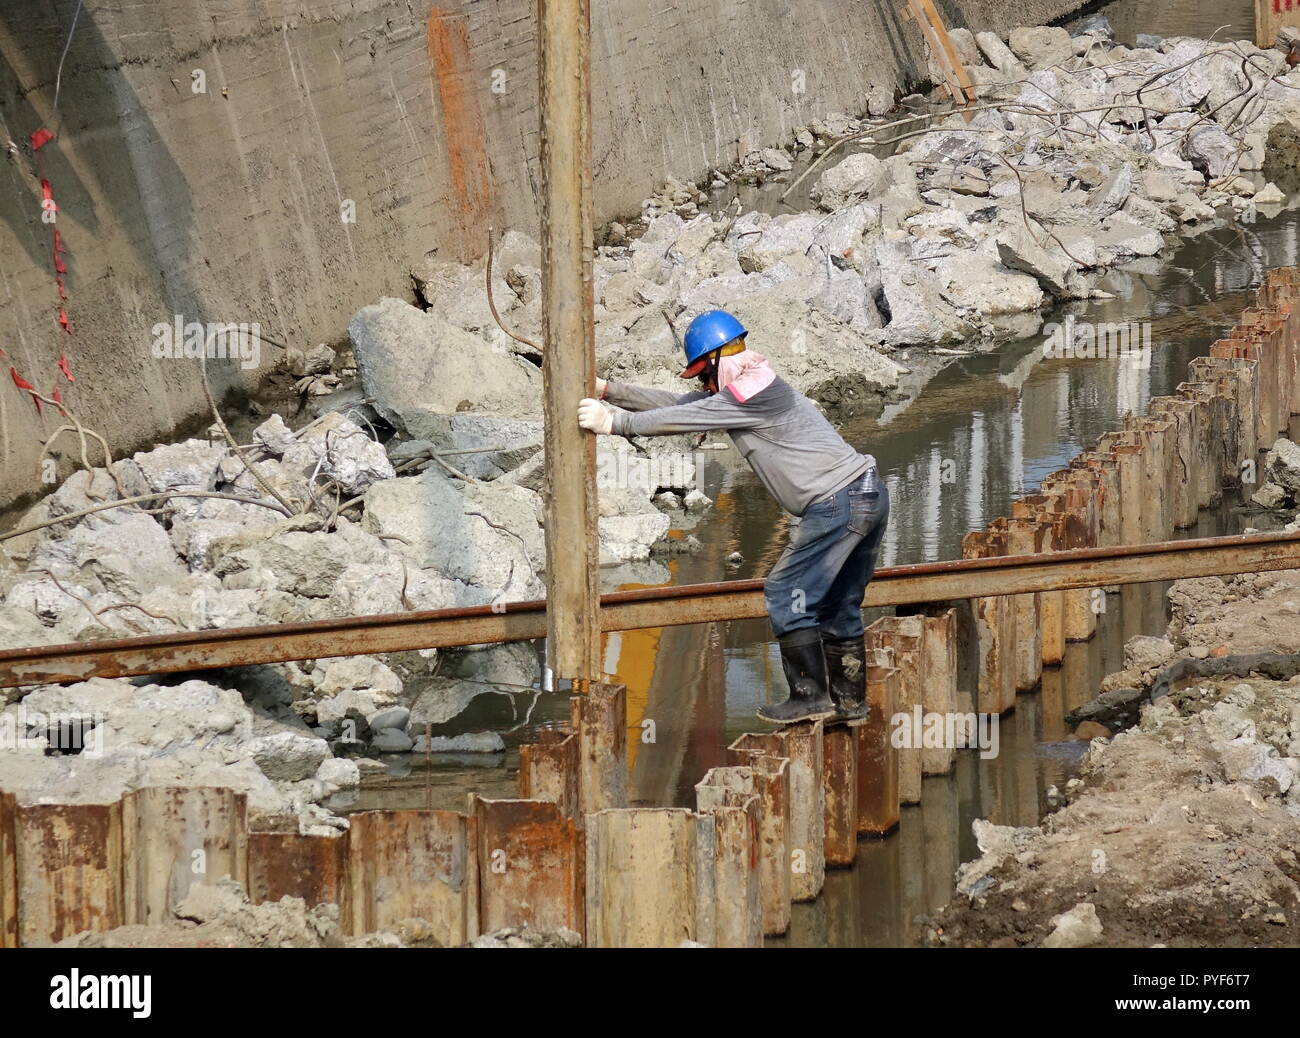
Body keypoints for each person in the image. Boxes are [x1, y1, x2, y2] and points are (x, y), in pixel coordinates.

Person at [576, 308, 889, 723]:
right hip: (868, 495)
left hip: (837, 503)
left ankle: (809, 697)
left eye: (705, 375)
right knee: (838, 605)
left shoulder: (751, 392)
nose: (705, 386)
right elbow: (679, 404)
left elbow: (684, 416)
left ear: (720, 358)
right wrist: (607, 390)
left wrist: (617, 424)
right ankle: (850, 704)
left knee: (785, 590)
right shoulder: (752, 384)